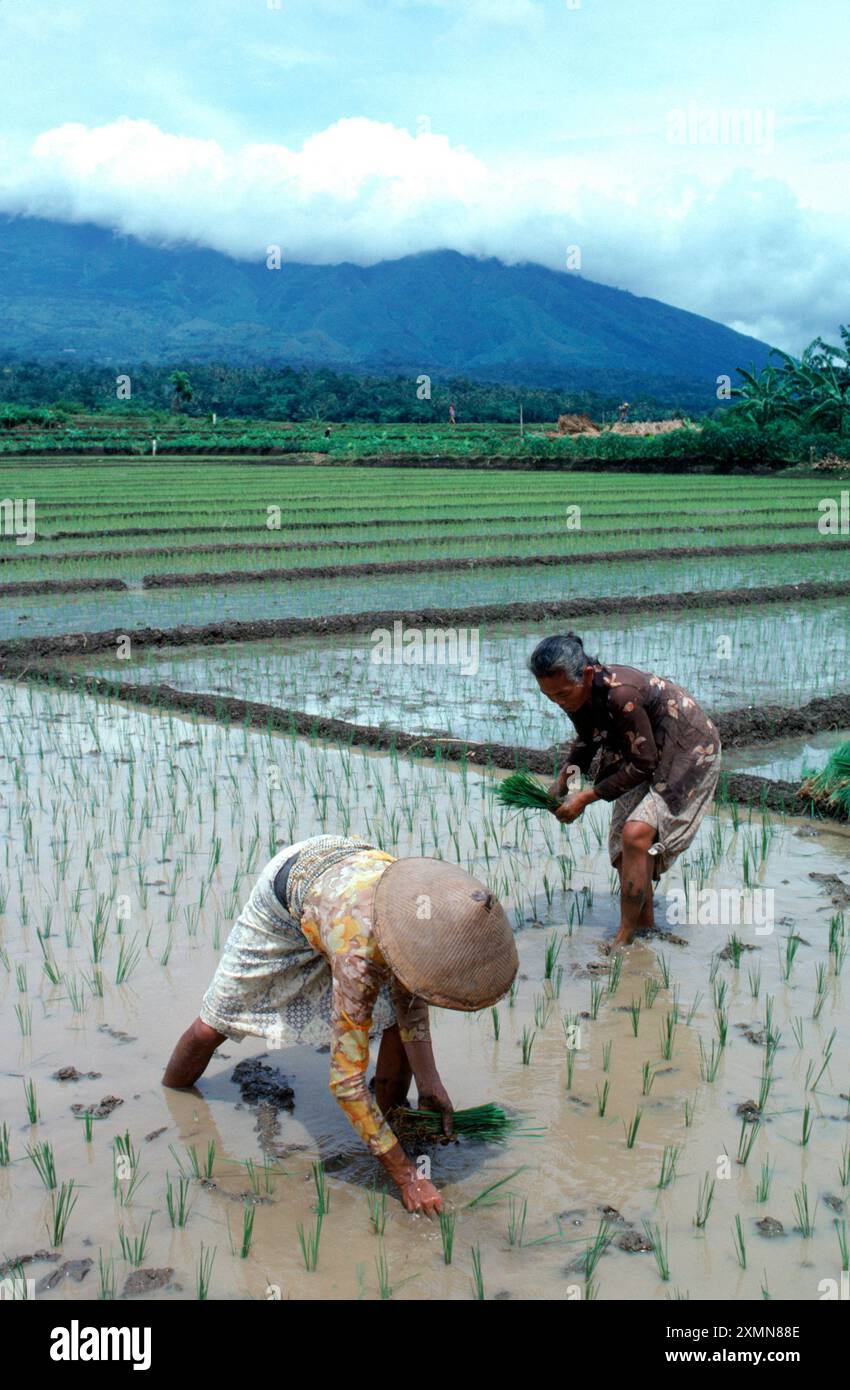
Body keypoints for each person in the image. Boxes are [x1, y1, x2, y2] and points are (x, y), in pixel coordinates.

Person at [163, 835, 517, 1214]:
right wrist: (406, 1177)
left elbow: (411, 998)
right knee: (214, 1024)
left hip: (348, 885)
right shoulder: (358, 954)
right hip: (292, 891)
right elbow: (345, 1083)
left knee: (399, 1022)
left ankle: (392, 1117)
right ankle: (172, 1095)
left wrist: (430, 1083)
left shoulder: (424, 915)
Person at [529, 634, 721, 949]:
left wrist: (586, 798)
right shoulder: (573, 694)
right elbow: (587, 741)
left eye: (562, 694)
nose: (559, 702)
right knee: (625, 848)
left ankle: (625, 937)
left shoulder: (621, 695)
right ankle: (644, 925)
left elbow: (645, 765)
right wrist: (563, 783)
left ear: (587, 675)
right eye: (549, 696)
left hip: (686, 747)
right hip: (639, 748)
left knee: (636, 834)